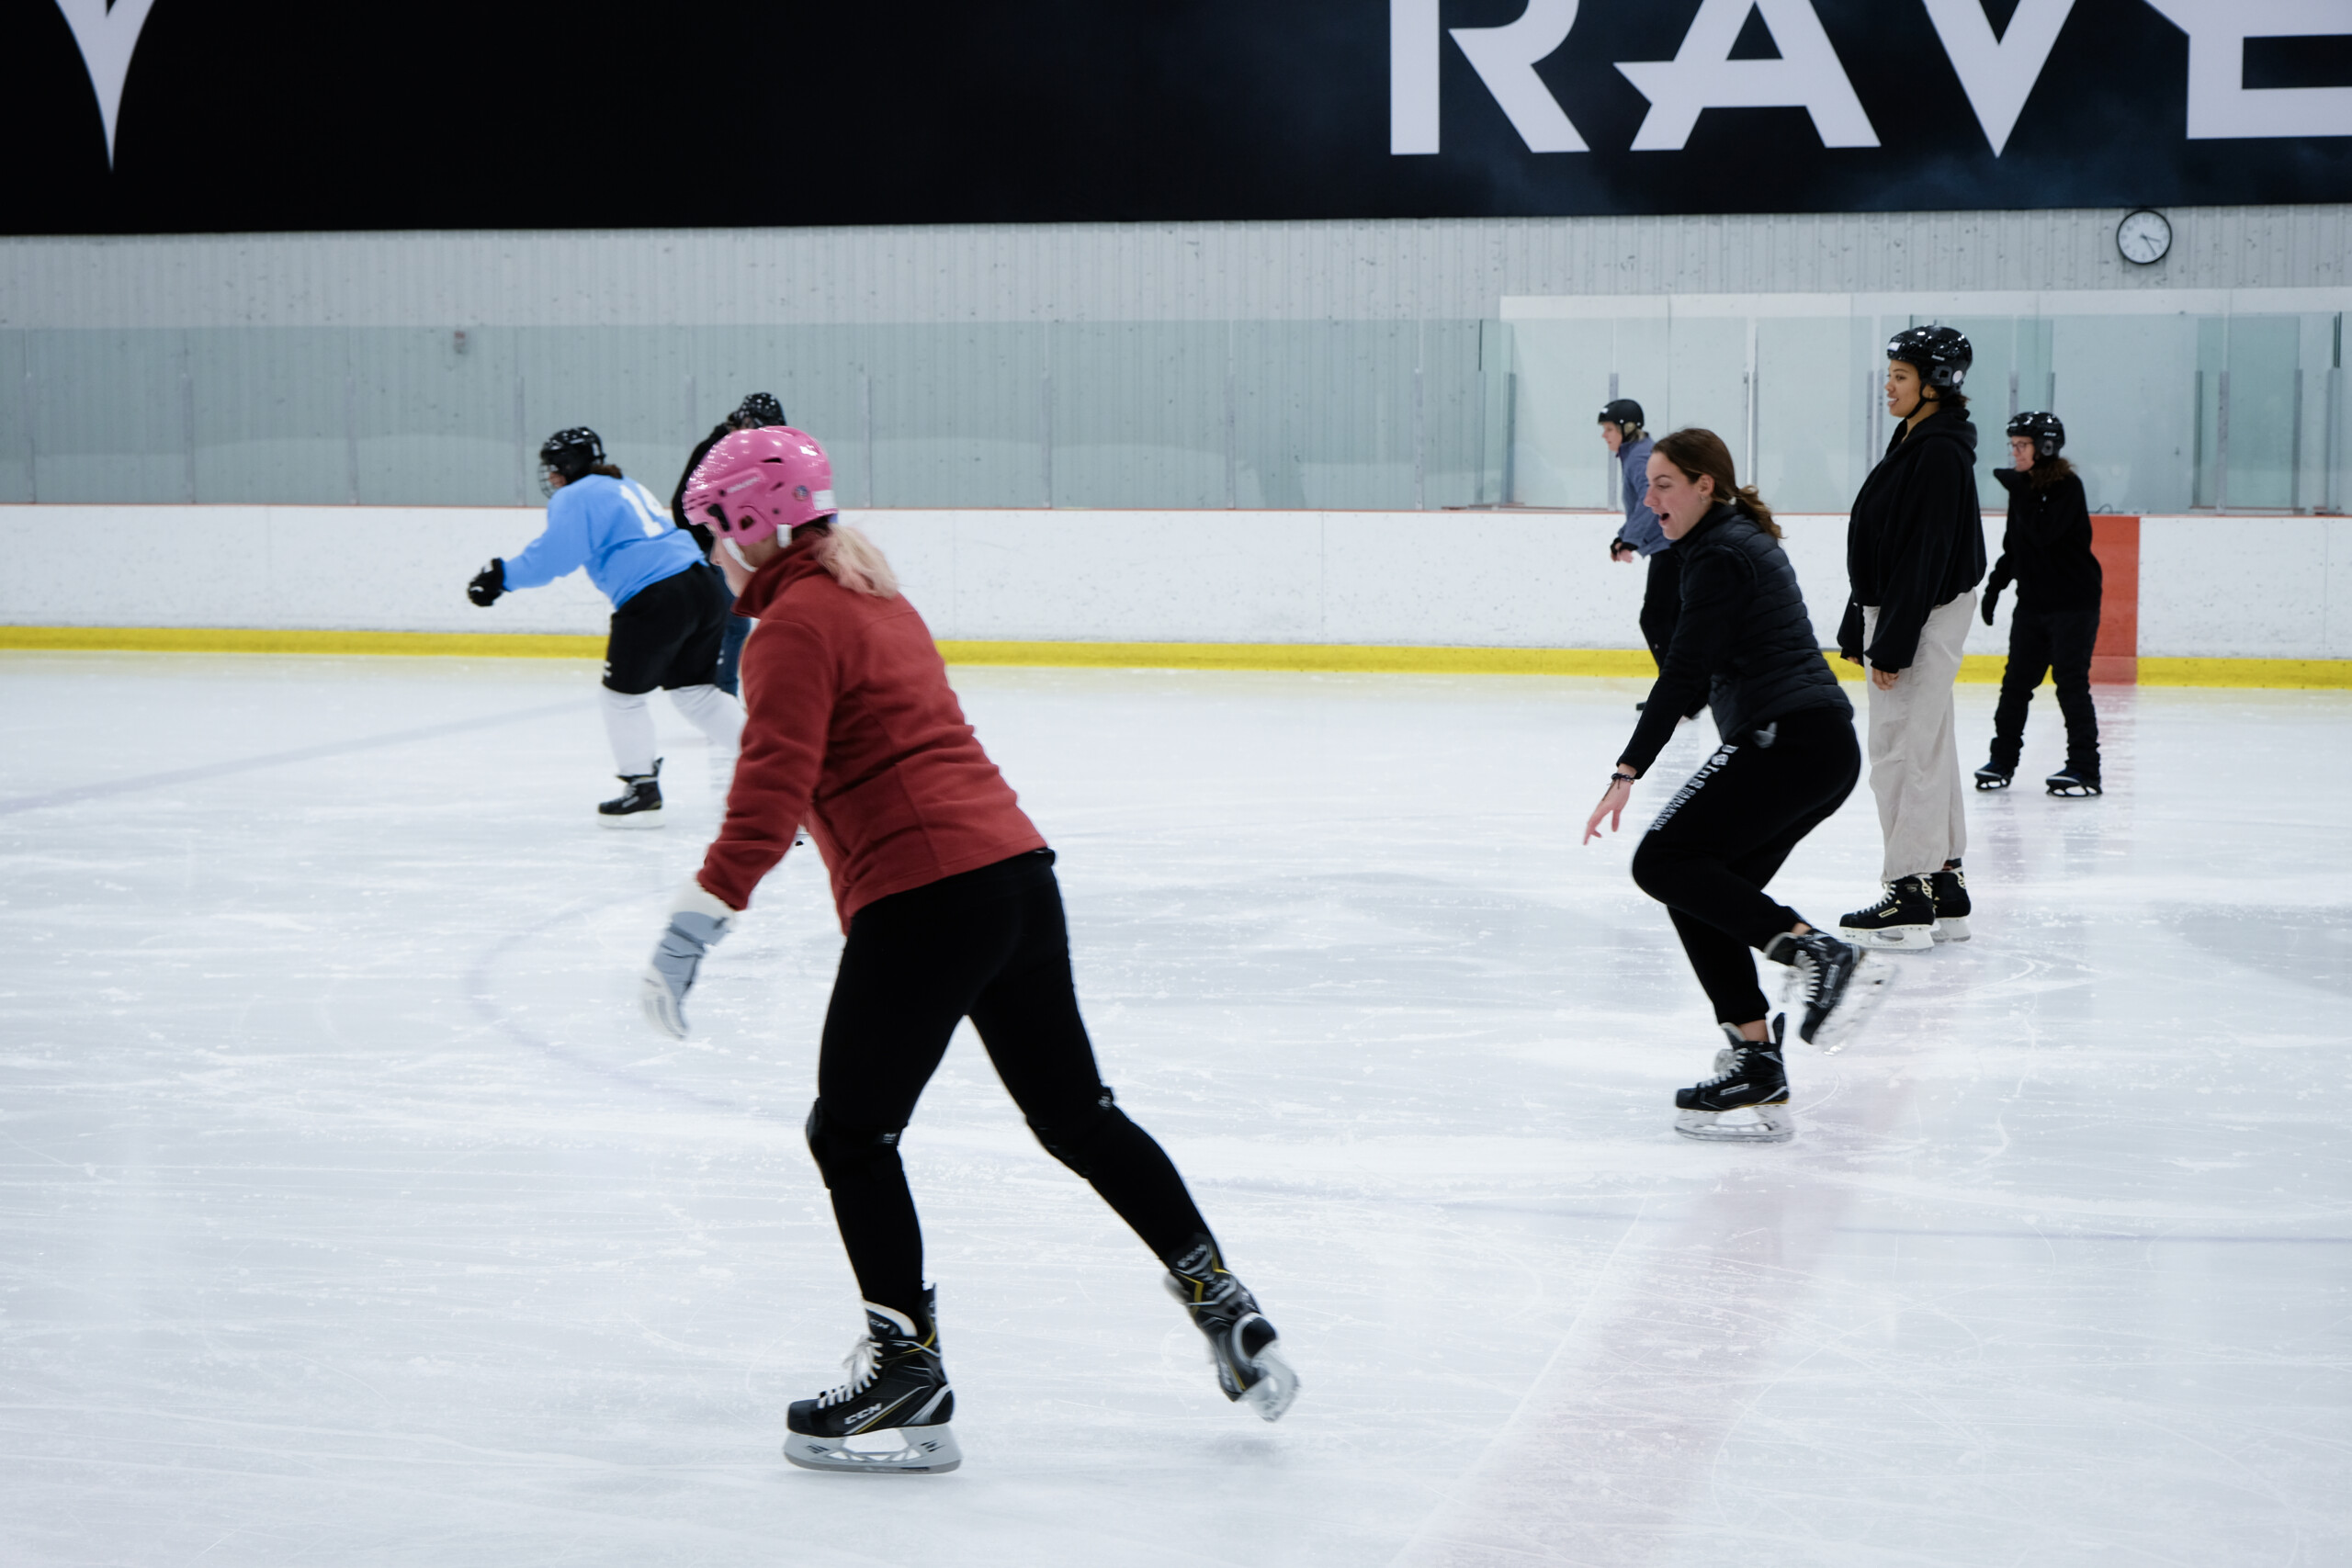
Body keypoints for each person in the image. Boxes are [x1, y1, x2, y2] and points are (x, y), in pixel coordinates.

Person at [637, 425, 1297, 1474]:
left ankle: (907, 1374)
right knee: (1077, 1114)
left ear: (755, 524)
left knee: (850, 1135)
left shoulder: (795, 627)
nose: (712, 554)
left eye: (716, 531)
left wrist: (699, 913)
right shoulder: (875, 596)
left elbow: (771, 785)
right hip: (1015, 881)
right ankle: (1218, 1291)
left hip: (926, 896)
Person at [1584, 428, 1892, 1145]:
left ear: (1705, 486)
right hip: (1809, 744)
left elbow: (1685, 673)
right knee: (1698, 889)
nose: (1651, 497)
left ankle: (1815, 950)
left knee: (1660, 861)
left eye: (1666, 483)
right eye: (1646, 484)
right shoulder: (1720, 543)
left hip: (1786, 739)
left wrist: (1627, 769)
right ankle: (1756, 1057)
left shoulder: (1721, 553)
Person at [467, 426, 743, 827]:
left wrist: (501, 577)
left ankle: (642, 788)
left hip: (655, 596)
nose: (552, 478)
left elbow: (556, 555)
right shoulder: (620, 484)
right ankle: (791, 772)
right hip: (700, 585)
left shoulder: (576, 496)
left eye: (555, 468)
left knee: (622, 698)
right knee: (696, 693)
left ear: (570, 465)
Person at [1834, 327, 1987, 951]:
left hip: (1919, 616)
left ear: (1936, 383)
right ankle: (1944, 883)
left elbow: (1924, 553)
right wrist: (1859, 616)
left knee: (1902, 750)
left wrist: (1891, 641)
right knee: (1928, 742)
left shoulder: (1938, 452)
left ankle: (1908, 894)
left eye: (1900, 376)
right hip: (1908, 610)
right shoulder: (1921, 440)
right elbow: (1890, 538)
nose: (1888, 386)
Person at [1977, 412, 2102, 797]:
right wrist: (1995, 588)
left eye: (2022, 446)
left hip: (2073, 604)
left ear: (2045, 447)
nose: (2014, 452)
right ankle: (2002, 761)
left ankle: (2085, 768)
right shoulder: (2025, 488)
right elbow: (2015, 546)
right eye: (2012, 445)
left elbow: (2045, 534)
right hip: (2032, 604)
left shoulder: (2067, 487)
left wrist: (2020, 490)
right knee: (2015, 684)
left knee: (2070, 684)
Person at [671, 391, 789, 698]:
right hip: (719, 554)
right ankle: (720, 695)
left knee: (735, 624)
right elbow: (682, 506)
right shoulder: (715, 449)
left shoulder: (749, 450)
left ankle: (721, 694)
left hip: (737, 550)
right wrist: (713, 545)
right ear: (746, 422)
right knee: (733, 624)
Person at [1600, 399, 1678, 688]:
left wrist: (1630, 541)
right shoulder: (1638, 453)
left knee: (1655, 619)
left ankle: (1676, 693)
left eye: (1609, 429)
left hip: (1670, 547)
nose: (1604, 435)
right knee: (1671, 619)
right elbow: (1641, 507)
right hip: (1671, 545)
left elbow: (1650, 501)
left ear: (1628, 428)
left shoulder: (1640, 456)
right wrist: (1624, 535)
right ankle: (1686, 692)